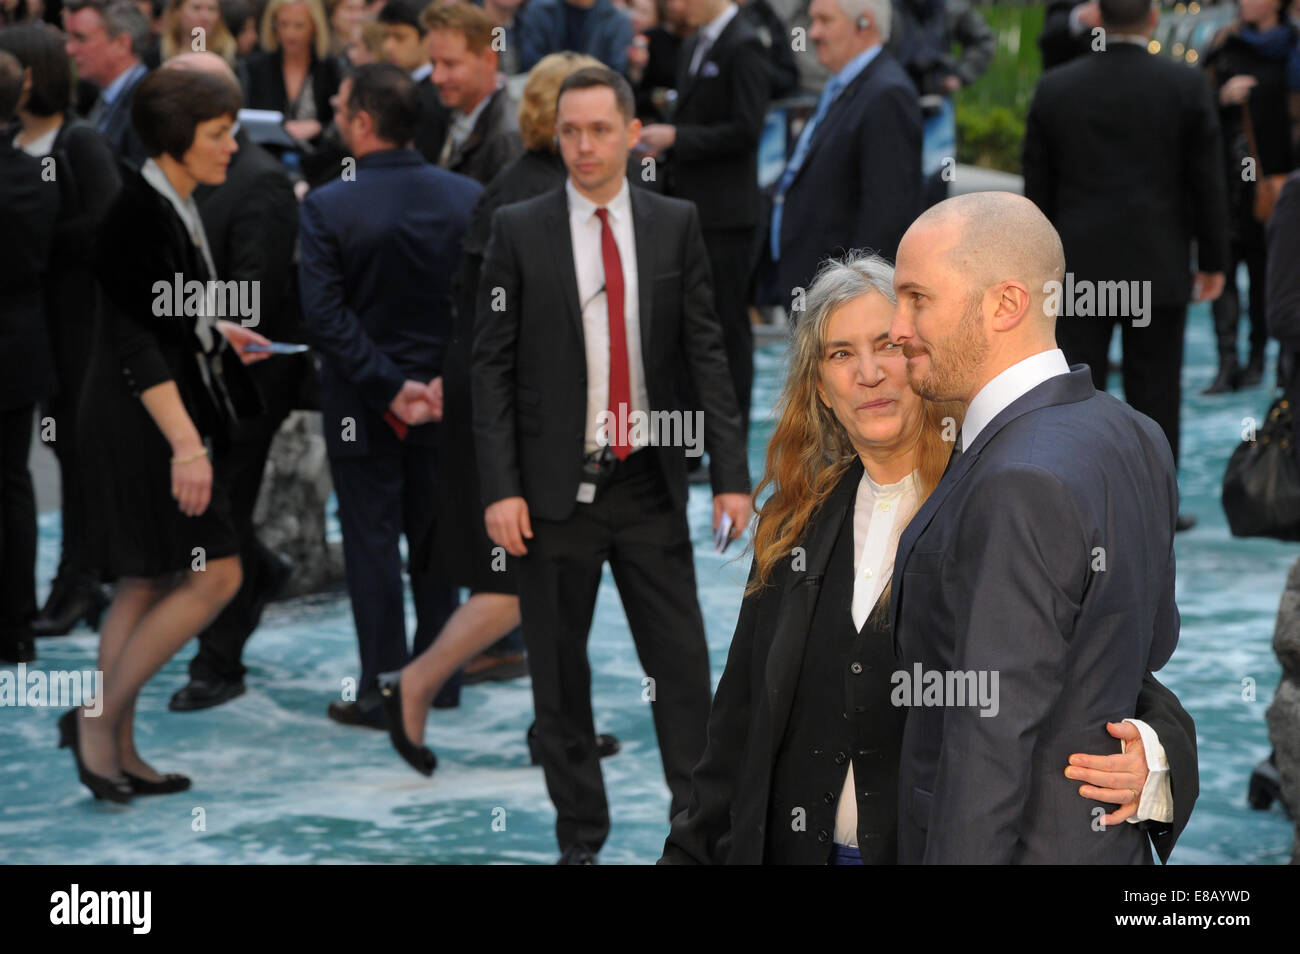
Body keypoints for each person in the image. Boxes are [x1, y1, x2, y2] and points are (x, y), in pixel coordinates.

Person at [660, 252, 1198, 864]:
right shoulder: (794, 522)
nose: (868, 373)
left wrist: (1158, 752)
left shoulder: (990, 504)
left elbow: (1102, 662)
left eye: (888, 345)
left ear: (924, 354)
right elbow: (736, 720)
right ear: (821, 389)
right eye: (840, 354)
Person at [473, 66, 751, 863]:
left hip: (648, 487)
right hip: (552, 496)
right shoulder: (518, 227)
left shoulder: (675, 223)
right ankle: (580, 843)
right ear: (554, 135)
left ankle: (699, 842)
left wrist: (729, 473)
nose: (584, 146)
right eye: (569, 131)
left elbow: (707, 350)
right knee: (558, 686)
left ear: (633, 134)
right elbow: (488, 368)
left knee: (686, 676)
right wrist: (501, 488)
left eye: (600, 129)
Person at [887, 191, 1199, 863]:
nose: (897, 325)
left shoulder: (1016, 477)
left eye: (917, 298)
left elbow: (985, 741)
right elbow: (1153, 638)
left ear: (1005, 304)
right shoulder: (1136, 433)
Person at [381, 51, 630, 769]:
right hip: (520, 411)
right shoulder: (540, 197)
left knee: (543, 576)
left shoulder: (525, 184)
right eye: (584, 120)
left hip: (508, 403)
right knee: (523, 576)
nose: (595, 136)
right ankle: (422, 682)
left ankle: (552, 725)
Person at [67, 67, 272, 802]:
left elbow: (162, 316)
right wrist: (188, 446)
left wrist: (217, 329)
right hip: (143, 424)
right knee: (216, 573)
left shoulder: (169, 203)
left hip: (144, 415)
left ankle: (114, 741)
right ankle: (96, 721)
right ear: (180, 140)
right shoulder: (139, 214)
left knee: (146, 578)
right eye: (220, 134)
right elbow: (136, 347)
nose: (233, 145)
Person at [297, 62, 481, 730]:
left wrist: (386, 386)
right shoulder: (467, 196)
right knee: (437, 539)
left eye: (343, 109)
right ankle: (443, 676)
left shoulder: (325, 204)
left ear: (363, 122)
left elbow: (324, 315)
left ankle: (382, 687)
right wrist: (436, 383)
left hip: (363, 405)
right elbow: (483, 308)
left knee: (372, 547)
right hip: (444, 402)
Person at [1023, 0, 1229, 532]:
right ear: (1154, 18)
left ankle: (1067, 502)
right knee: (1157, 392)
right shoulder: (1185, 85)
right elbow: (1208, 181)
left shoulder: (1056, 88)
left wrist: (1035, 270)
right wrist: (1213, 259)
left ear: (1096, 18)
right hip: (1157, 268)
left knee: (1069, 392)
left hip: (1077, 272)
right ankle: (1155, 507)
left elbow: (1036, 194)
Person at [160, 50, 307, 711]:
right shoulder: (179, 170)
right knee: (213, 516)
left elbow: (254, 297)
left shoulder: (261, 182)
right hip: (195, 377)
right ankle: (264, 574)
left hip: (250, 383)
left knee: (220, 515)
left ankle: (220, 661)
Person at [1, 25, 120, 640]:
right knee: (53, 452)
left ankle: (82, 579)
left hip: (79, 323)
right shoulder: (12, 140)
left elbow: (109, 228)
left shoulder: (79, 142)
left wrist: (41, 237)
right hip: (32, 321)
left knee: (78, 454)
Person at [639, 0, 771, 428]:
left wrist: (678, 136)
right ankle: (694, 441)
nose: (672, 7)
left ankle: (729, 439)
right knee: (691, 326)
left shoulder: (745, 44)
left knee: (727, 327)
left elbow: (747, 129)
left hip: (727, 217)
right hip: (691, 209)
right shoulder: (694, 43)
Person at [762, 0, 921, 314]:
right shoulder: (845, 85)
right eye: (813, 21)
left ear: (864, 24)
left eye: (824, 21)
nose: (813, 33)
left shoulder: (886, 94)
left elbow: (886, 215)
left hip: (842, 301)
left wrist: (858, 300)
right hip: (819, 290)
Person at [1202, 0, 1300, 392]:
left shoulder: (1293, 48)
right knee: (1222, 268)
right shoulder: (1224, 45)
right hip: (1226, 177)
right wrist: (1221, 98)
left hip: (1278, 180)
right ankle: (1228, 362)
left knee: (1268, 271)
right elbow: (1192, 103)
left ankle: (1261, 359)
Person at [0, 48, 59, 666]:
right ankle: (15, 626)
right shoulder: (36, 175)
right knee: (14, 484)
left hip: (19, 341)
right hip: (22, 346)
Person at [886, 0, 994, 208]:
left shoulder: (952, 7)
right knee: (892, 178)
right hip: (894, 100)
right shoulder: (888, 7)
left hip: (938, 103)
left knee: (938, 179)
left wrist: (961, 75)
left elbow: (983, 41)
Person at [424, 1, 521, 184]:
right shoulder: (456, 113)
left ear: (489, 59)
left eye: (450, 64)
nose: (437, 77)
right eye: (433, 64)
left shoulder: (507, 137)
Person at [244, 0, 342, 167]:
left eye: (299, 26)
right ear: (273, 25)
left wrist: (320, 128)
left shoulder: (331, 68)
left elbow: (342, 120)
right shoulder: (255, 67)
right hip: (266, 161)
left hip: (320, 162)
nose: (290, 33)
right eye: (283, 24)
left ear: (315, 26)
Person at [65, 0, 151, 166]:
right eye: (68, 37)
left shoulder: (148, 105)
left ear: (121, 44)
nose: (69, 49)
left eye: (80, 38)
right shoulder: (99, 96)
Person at [376, 0, 449, 164]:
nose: (388, 46)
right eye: (385, 36)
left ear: (427, 39)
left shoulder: (434, 96)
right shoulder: (402, 86)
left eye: (399, 37)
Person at [516, 0, 635, 74]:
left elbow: (616, 72)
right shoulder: (539, 10)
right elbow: (530, 62)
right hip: (546, 96)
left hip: (593, 100)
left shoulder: (617, 21)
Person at [159, 0, 239, 63]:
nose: (205, 17)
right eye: (196, 8)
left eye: (211, 9)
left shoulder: (232, 56)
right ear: (177, 12)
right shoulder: (158, 55)